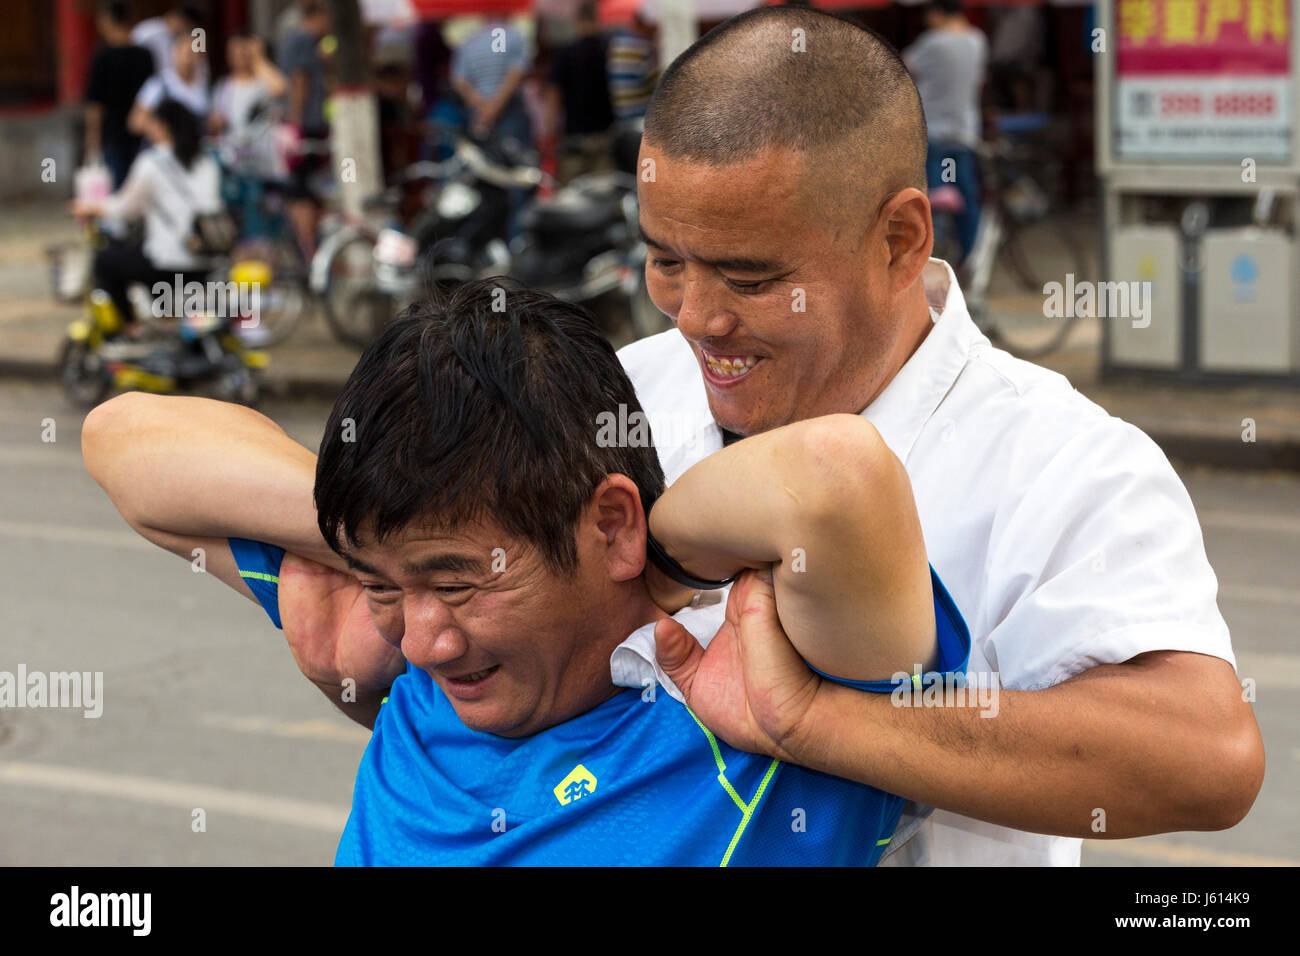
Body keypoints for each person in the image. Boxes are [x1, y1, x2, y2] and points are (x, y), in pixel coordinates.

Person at [79, 7, 1265, 867]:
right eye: (663, 259)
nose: (695, 316)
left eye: (748, 274)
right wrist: (410, 549)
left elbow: (1205, 760)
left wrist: (821, 717)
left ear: (902, 238)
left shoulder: (1057, 460)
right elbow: (132, 443)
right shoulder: (618, 388)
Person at [83, 279, 970, 865]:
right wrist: (378, 547)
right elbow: (123, 441)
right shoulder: (414, 656)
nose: (425, 642)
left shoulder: (765, 708)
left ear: (612, 523)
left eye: (462, 582)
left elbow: (839, 476)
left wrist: (654, 560)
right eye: (389, 587)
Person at [74, 99, 221, 338]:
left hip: (168, 265)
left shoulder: (152, 163)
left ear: (164, 127)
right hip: (206, 262)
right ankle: (167, 316)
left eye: (153, 122)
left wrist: (91, 208)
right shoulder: (207, 161)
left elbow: (125, 207)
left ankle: (131, 328)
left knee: (106, 261)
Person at [903, 0, 987, 264]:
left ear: (938, 13)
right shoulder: (977, 39)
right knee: (967, 198)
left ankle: (931, 261)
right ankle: (968, 258)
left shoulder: (933, 42)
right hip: (965, 132)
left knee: (933, 201)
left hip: (934, 131)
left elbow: (900, 66)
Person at [278, 1, 332, 260]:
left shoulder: (305, 41)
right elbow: (300, 82)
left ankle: (309, 247)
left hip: (308, 125)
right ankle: (308, 248)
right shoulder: (301, 40)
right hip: (305, 127)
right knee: (302, 190)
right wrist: (296, 125)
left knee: (306, 188)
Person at [84, 1, 156, 189]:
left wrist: (93, 145)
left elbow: (95, 106)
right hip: (142, 134)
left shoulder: (102, 58)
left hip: (112, 135)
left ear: (107, 20)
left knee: (117, 192)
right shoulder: (145, 55)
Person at [548, 2, 616, 183]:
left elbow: (554, 96)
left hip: (574, 136)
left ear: (577, 20)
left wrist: (550, 132)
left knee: (572, 197)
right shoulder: (610, 50)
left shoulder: (566, 52)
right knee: (603, 193)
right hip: (606, 135)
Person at [129, 31, 212, 131]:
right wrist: (161, 132)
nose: (190, 58)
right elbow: (135, 122)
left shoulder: (202, 85)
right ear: (175, 53)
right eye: (187, 52)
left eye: (195, 53)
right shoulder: (160, 83)